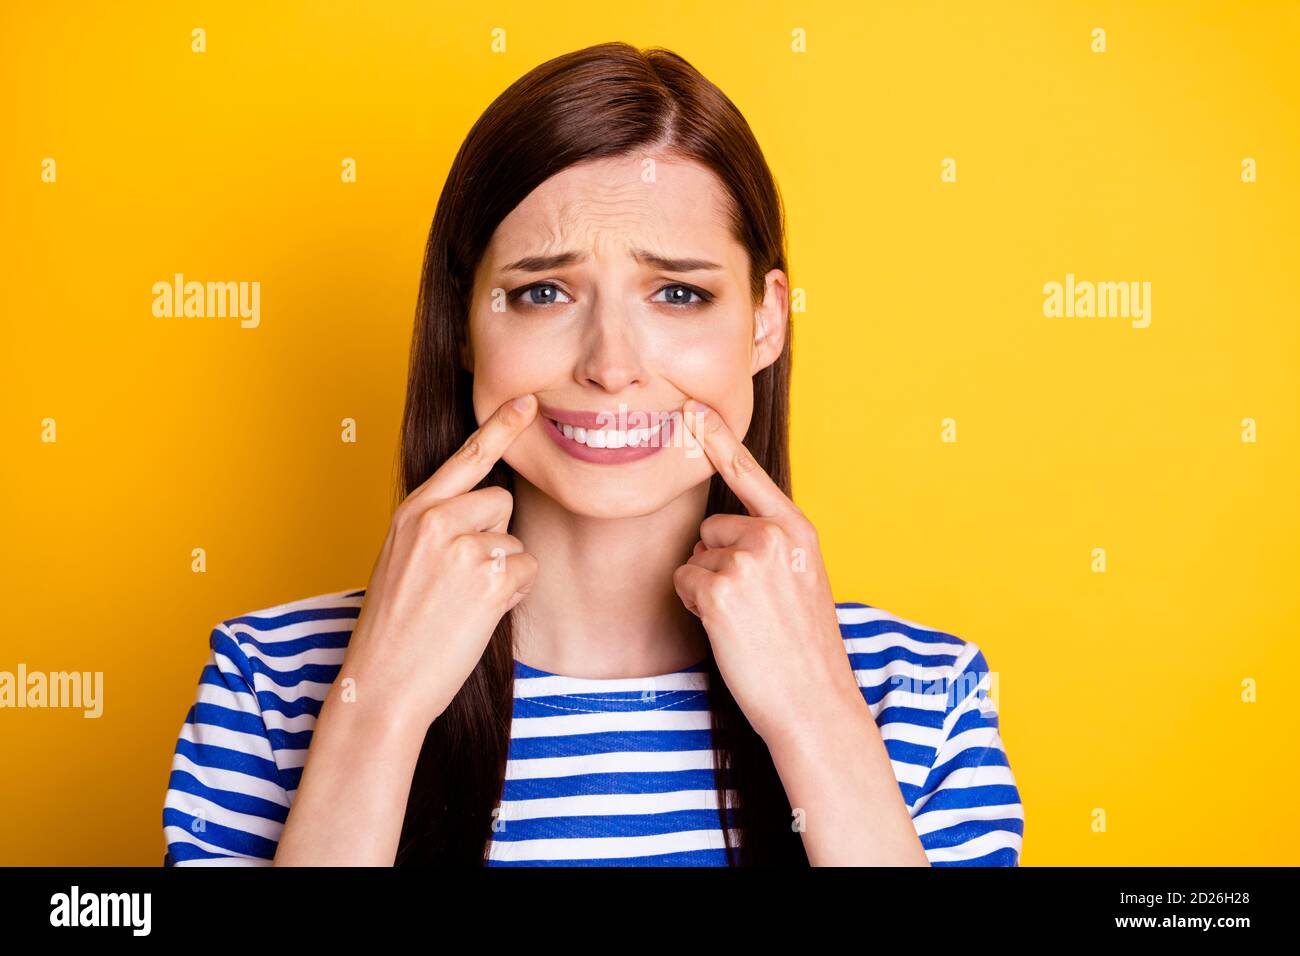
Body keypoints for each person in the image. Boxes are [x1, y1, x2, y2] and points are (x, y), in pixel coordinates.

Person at [162, 41, 1024, 867]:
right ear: (462, 322)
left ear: (766, 320)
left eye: (679, 293)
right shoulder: (269, 684)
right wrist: (376, 709)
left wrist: (815, 713)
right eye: (542, 292)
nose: (611, 367)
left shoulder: (923, 699)